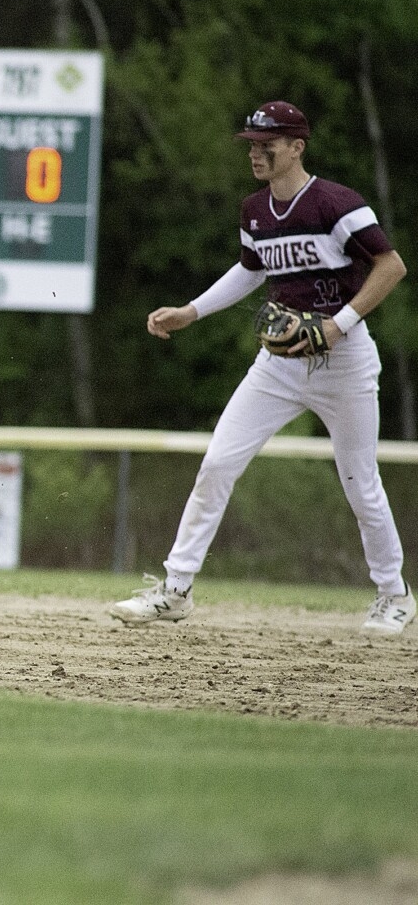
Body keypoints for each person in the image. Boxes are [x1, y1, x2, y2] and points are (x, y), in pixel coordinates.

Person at [112, 101, 410, 634]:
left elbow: (391, 266)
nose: (255, 152)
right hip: (279, 365)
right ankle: (175, 589)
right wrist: (191, 311)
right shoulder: (253, 211)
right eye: (251, 144)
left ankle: (394, 594)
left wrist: (338, 323)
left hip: (344, 360)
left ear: (297, 146)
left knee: (359, 482)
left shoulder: (336, 204)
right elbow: (250, 271)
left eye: (266, 143)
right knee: (217, 464)